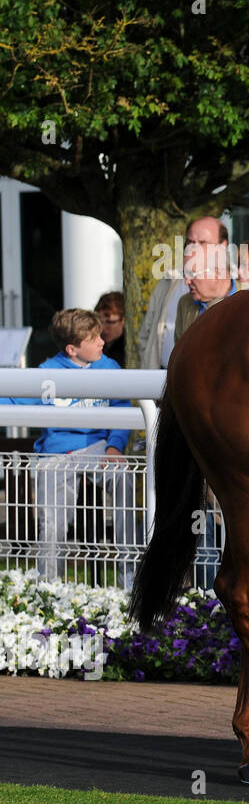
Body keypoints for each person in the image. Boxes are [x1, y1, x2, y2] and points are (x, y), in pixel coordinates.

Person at [0, 310, 135, 586]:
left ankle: (130, 575)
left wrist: (115, 447)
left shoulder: (108, 368)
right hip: (56, 453)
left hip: (99, 448)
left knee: (126, 480)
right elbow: (13, 399)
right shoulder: (47, 372)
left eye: (100, 335)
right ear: (72, 349)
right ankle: (49, 585)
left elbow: (123, 409)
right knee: (52, 522)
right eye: (94, 338)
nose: (102, 342)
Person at [140, 215, 224, 369]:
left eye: (203, 243)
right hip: (163, 381)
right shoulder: (169, 283)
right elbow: (147, 333)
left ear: (222, 246)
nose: (194, 248)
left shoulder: (245, 291)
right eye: (190, 242)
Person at [93, 292, 126, 368]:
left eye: (109, 322)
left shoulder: (125, 348)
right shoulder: (96, 344)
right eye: (100, 322)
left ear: (123, 320)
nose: (103, 327)